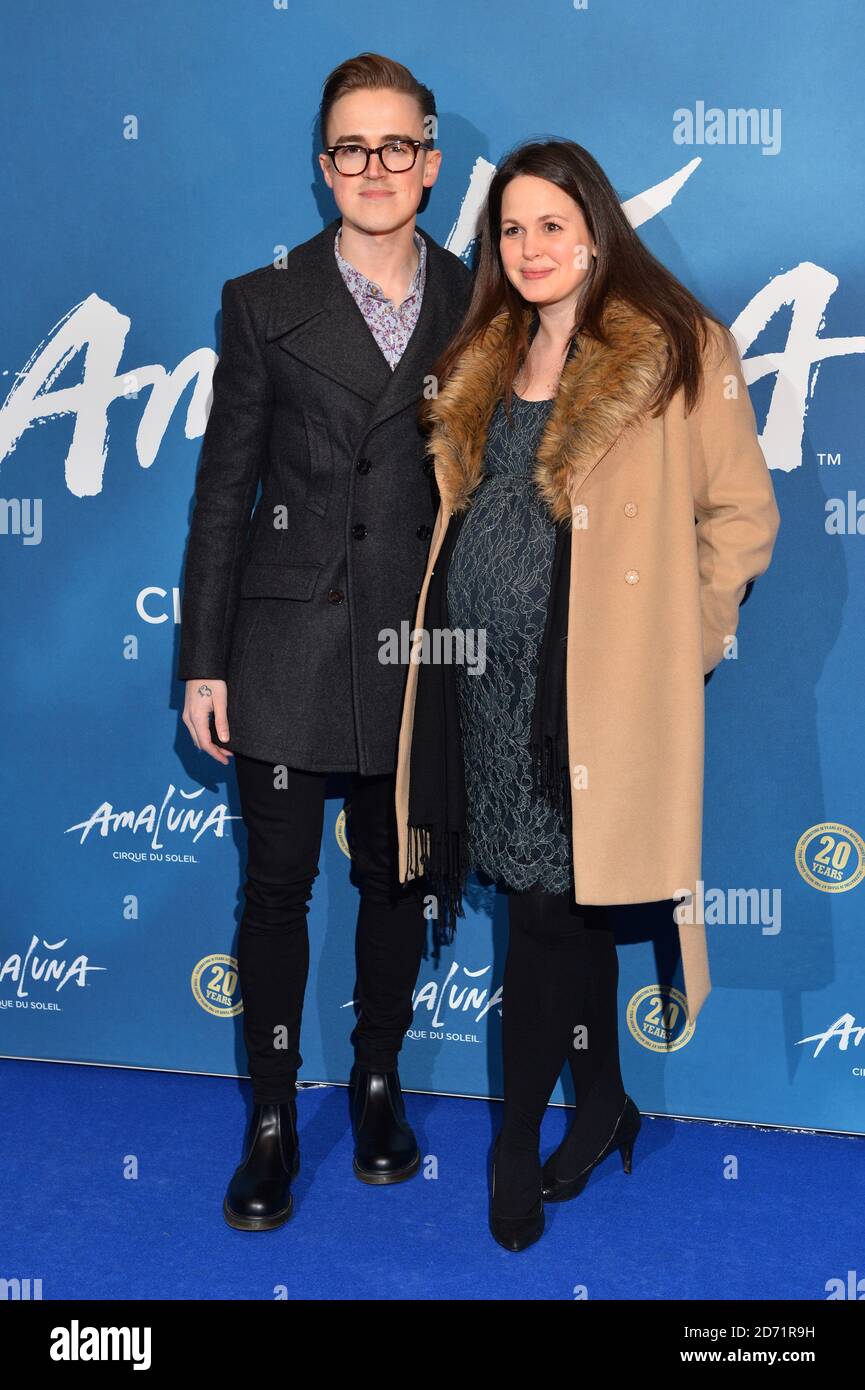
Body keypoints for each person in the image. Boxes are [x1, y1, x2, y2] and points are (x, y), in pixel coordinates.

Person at [394, 138, 781, 1251]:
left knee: (552, 917)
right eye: (510, 230)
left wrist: (681, 645)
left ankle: (513, 1144)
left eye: (551, 225)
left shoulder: (674, 351)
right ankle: (603, 1099)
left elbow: (741, 517)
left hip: (594, 705)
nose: (529, 248)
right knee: (548, 904)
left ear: (596, 228)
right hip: (483, 692)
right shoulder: (483, 355)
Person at [177, 52, 472, 1231]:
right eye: (350, 148)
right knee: (277, 892)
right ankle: (269, 1116)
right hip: (287, 643)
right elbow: (221, 492)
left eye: (395, 146)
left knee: (398, 877)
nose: (374, 168)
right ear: (323, 167)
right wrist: (203, 657)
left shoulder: (474, 298)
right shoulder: (262, 300)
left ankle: (377, 1078)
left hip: (421, 651)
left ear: (431, 161)